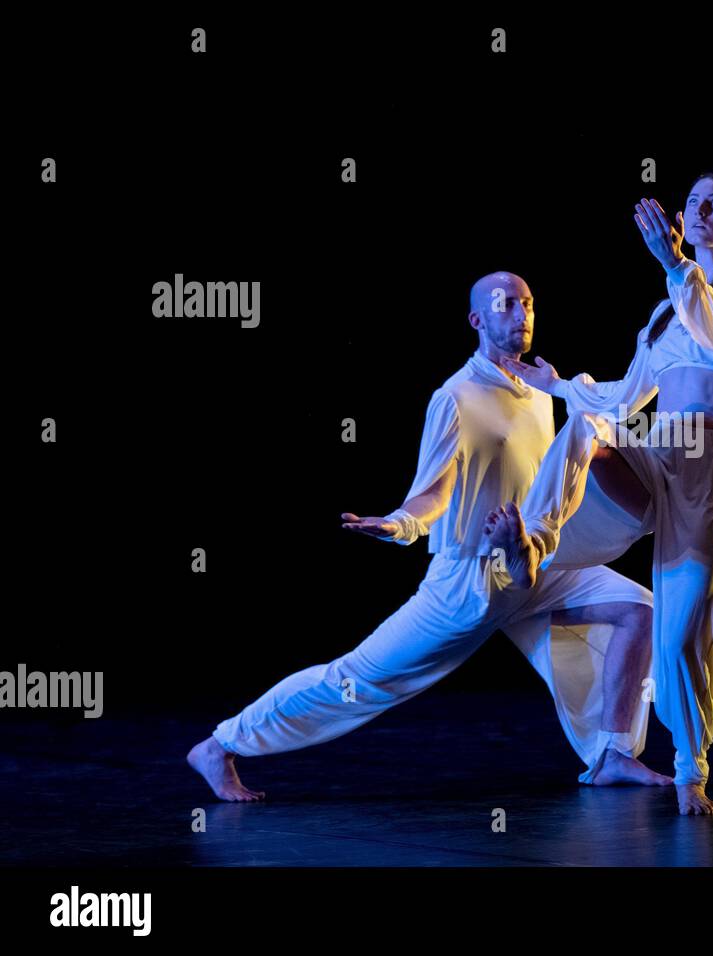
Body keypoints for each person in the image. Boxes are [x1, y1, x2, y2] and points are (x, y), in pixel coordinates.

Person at [187, 271, 673, 802]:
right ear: (476, 319)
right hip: (468, 577)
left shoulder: (540, 390)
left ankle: (611, 754)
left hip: (535, 565)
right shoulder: (457, 397)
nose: (520, 313)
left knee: (637, 610)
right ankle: (220, 745)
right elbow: (433, 493)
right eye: (505, 304)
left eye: (528, 303)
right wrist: (400, 522)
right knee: (357, 679)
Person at [500, 174, 713, 815]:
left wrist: (675, 264)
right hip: (661, 447)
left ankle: (690, 769)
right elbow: (624, 399)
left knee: (683, 630)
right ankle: (535, 542)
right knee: (589, 427)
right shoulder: (665, 309)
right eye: (692, 202)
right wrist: (556, 383)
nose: (700, 210)